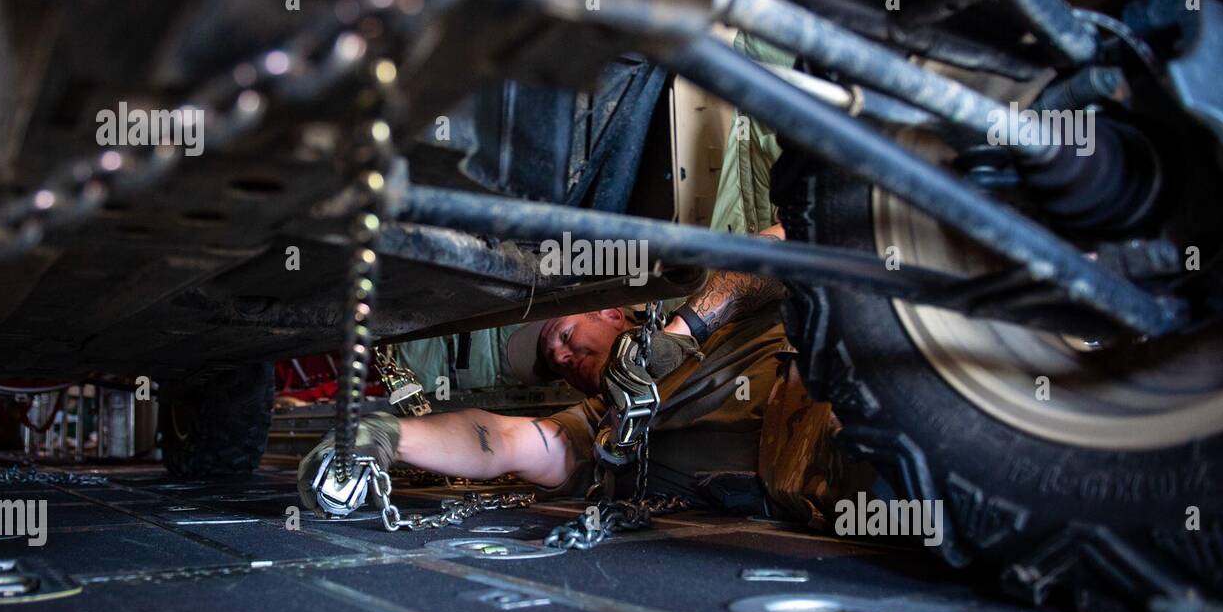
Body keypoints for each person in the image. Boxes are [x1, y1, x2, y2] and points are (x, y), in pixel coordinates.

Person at [298, 225, 867, 526]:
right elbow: (504, 440)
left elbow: (794, 238)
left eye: (564, 338)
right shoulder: (605, 425)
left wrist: (685, 330)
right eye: (557, 365)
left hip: (861, 395)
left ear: (612, 311)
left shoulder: (711, 308)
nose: (566, 359)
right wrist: (384, 436)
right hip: (836, 486)